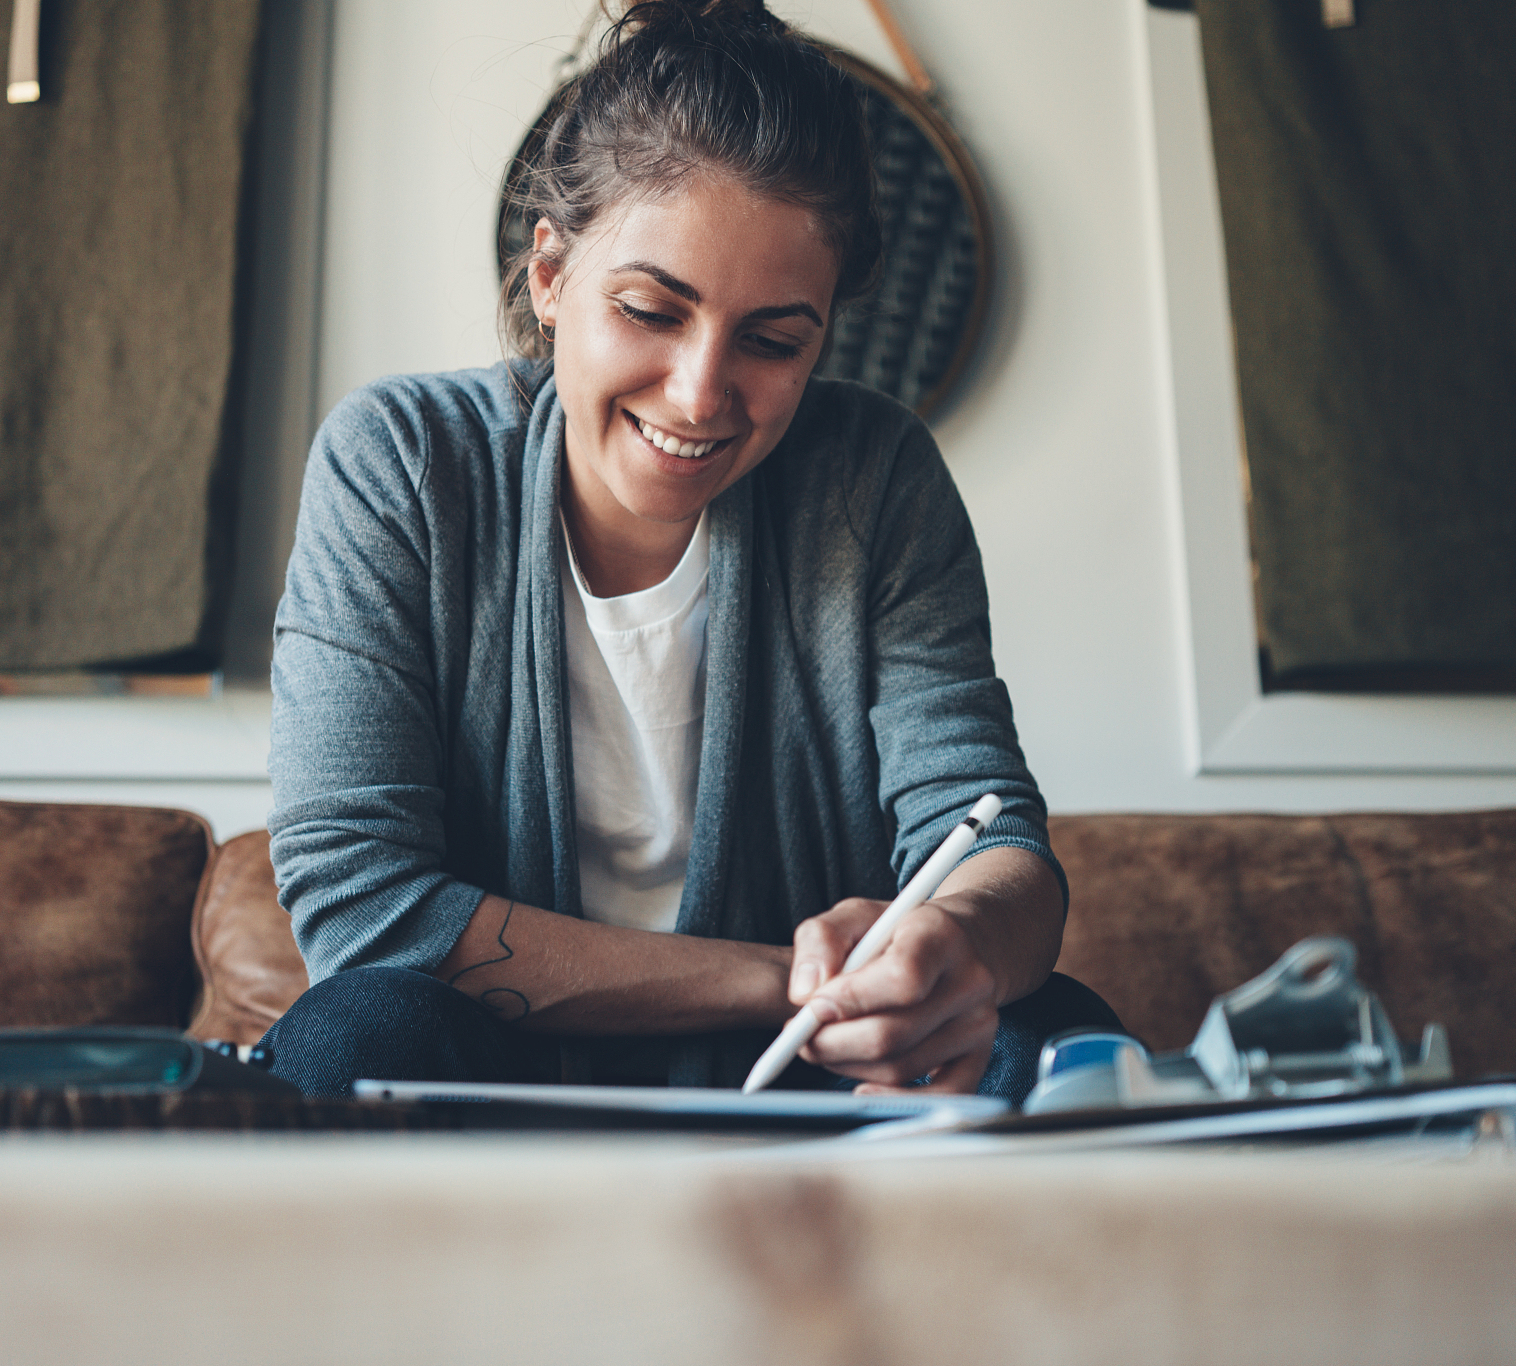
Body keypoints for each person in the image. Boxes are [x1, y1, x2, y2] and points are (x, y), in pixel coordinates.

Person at [260, 0, 1123, 1099]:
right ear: (549, 278)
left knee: (1049, 1035)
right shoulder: (400, 467)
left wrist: (954, 949)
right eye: (647, 309)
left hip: (825, 1102)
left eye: (772, 340)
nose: (701, 392)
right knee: (355, 1035)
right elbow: (361, 911)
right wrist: (789, 981)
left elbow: (992, 835)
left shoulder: (876, 476)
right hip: (493, 1109)